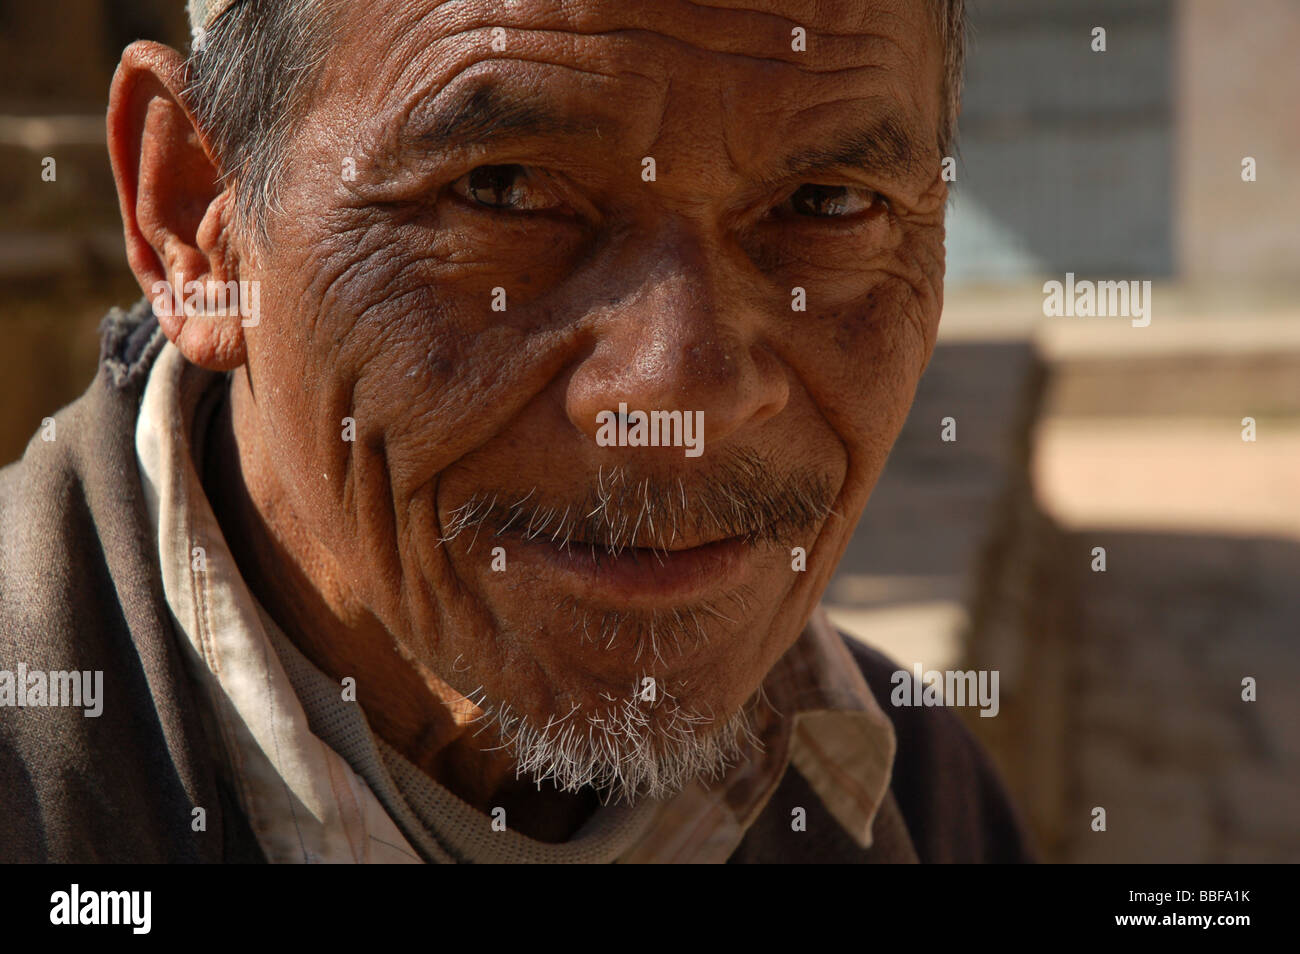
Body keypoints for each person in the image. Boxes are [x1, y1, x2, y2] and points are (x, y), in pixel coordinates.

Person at [0, 0, 1033, 863]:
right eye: (503, 192)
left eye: (827, 203)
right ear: (195, 220)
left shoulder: (918, 802)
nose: (676, 402)